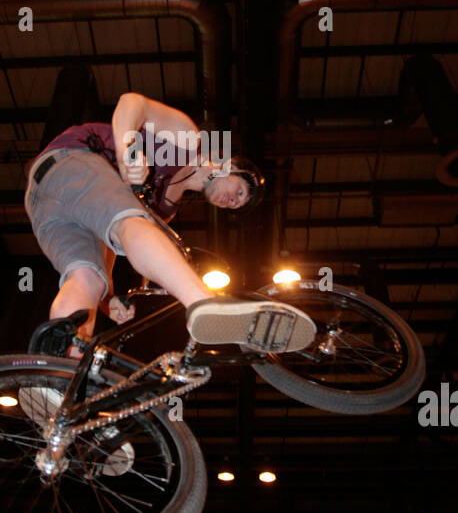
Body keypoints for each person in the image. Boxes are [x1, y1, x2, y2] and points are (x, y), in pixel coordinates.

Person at [24, 93, 315, 358]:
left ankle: (56, 375)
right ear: (230, 165)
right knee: (132, 224)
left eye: (235, 205)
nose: (233, 201)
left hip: (43, 200)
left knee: (88, 279)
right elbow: (132, 103)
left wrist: (107, 296)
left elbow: (114, 238)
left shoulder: (165, 207)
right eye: (239, 191)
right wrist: (127, 151)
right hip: (71, 161)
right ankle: (203, 303)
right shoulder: (187, 138)